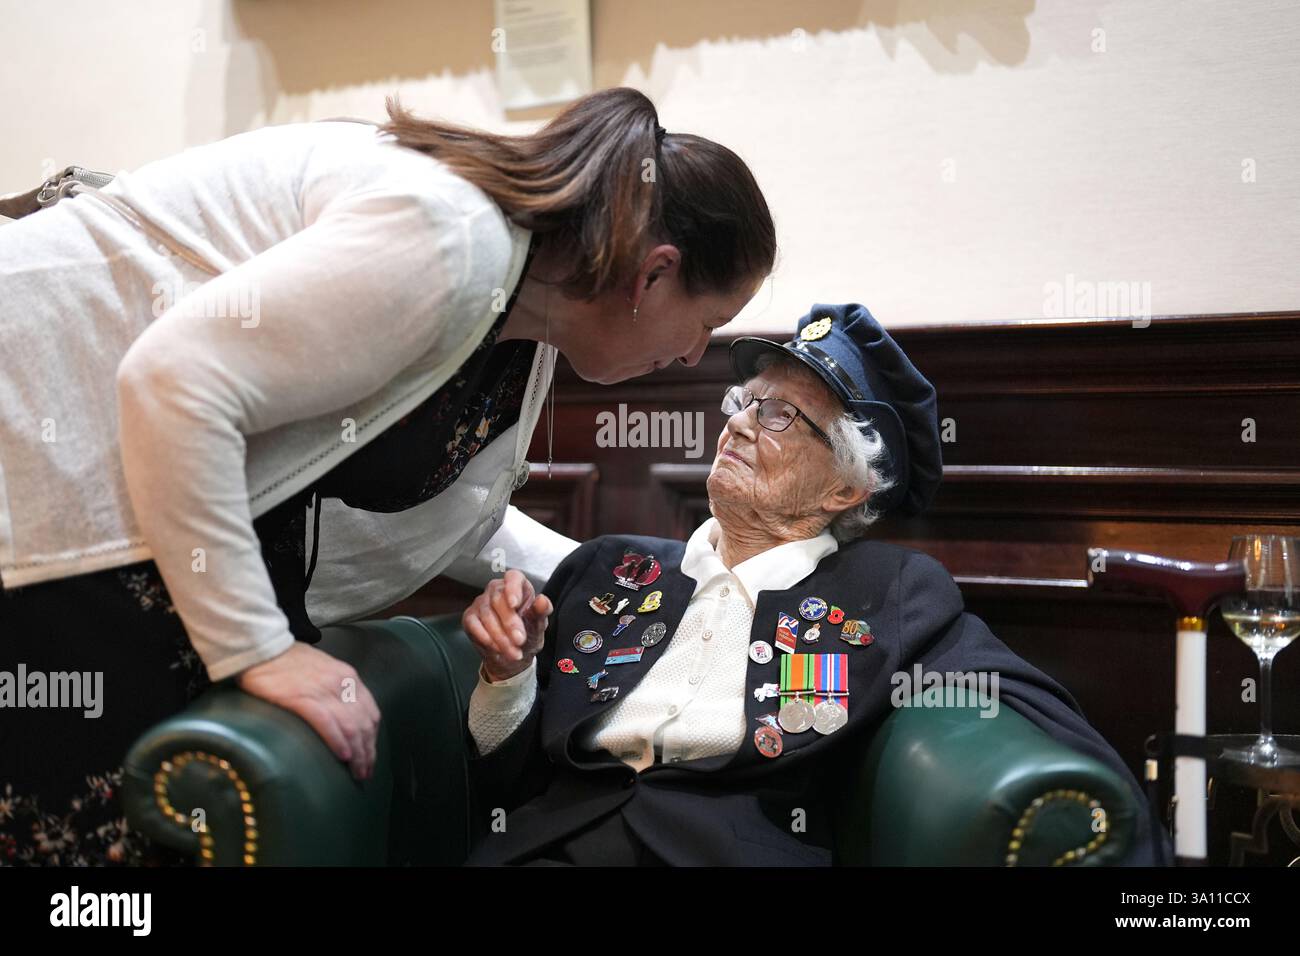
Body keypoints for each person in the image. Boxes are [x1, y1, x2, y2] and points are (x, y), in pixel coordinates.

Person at [0, 87, 775, 865]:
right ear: (653, 275)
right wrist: (261, 650)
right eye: (707, 324)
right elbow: (172, 382)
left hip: (142, 515)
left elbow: (458, 512)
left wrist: (663, 582)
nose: (689, 357)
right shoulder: (451, 239)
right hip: (55, 476)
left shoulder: (526, 315)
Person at [459, 302, 1171, 866]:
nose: (737, 425)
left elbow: (1023, 699)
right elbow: (508, 782)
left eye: (778, 416)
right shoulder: (612, 569)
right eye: (742, 402)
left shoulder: (886, 592)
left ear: (842, 487)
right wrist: (507, 674)